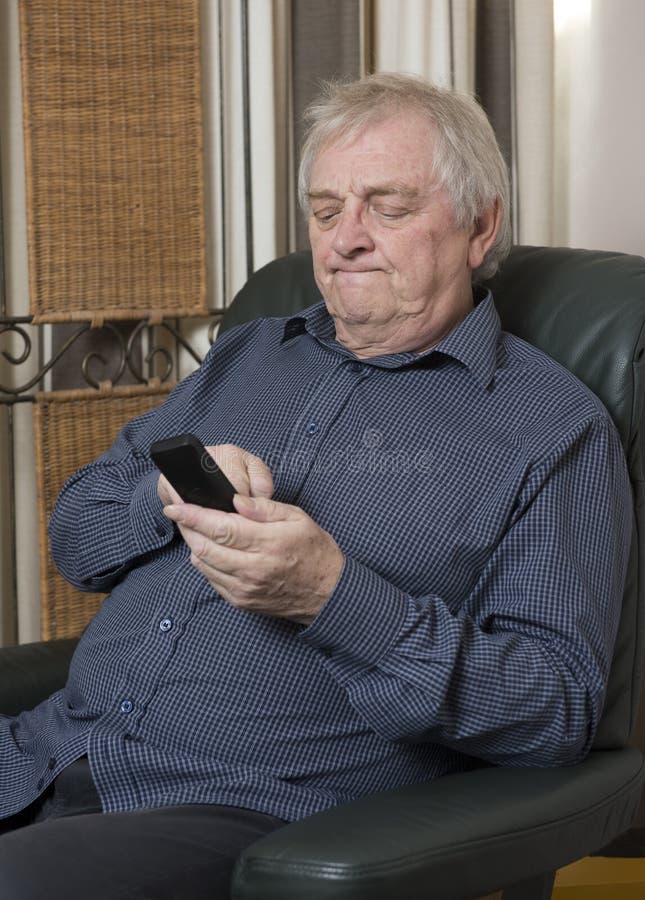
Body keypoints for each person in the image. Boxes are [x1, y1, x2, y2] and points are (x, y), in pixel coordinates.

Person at [0, 73, 632, 898]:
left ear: (479, 226)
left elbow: (553, 712)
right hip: (46, 752)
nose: (344, 240)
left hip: (243, 812)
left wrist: (329, 597)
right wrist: (159, 498)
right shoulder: (249, 353)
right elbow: (76, 540)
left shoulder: (551, 430)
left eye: (388, 208)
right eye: (326, 211)